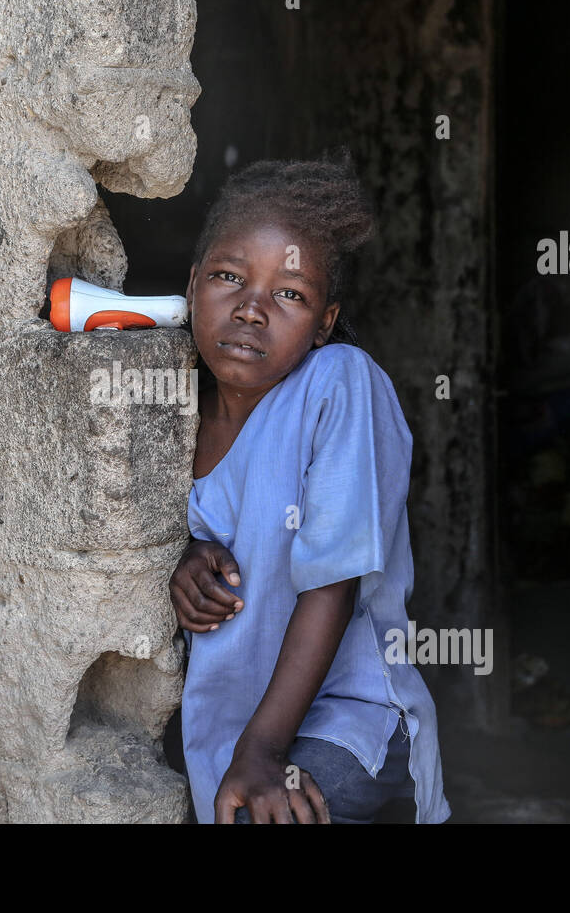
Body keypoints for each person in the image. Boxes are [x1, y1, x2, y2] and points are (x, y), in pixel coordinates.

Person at [171, 152, 452, 824]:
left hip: (345, 722)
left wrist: (266, 753)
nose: (251, 308)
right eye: (229, 277)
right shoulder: (167, 403)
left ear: (325, 322)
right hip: (225, 732)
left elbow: (333, 581)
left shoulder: (339, 384)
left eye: (289, 294)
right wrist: (181, 558)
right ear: (192, 284)